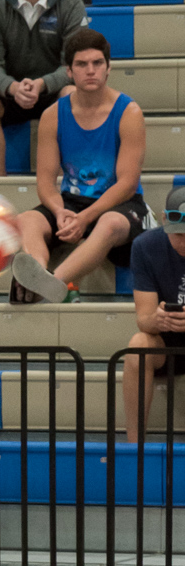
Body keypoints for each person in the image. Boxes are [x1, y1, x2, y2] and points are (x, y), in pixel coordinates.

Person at [10, 28, 149, 304]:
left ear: (108, 68)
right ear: (69, 71)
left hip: (119, 204)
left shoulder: (128, 112)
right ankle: (35, 271)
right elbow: (45, 182)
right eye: (82, 64)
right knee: (26, 220)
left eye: (97, 63)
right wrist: (59, 210)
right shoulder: (53, 115)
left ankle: (54, 282)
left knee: (108, 223)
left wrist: (85, 218)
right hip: (71, 201)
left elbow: (127, 183)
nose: (91, 71)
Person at [0, 0, 85, 177]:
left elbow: (74, 65)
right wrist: (13, 88)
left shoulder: (70, 4)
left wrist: (42, 84)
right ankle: (0, 185)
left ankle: (69, 182)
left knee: (73, 94)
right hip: (11, 96)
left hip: (52, 94)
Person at [122, 186, 185, 442]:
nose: (183, 242)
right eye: (177, 234)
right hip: (167, 343)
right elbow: (144, 319)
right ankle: (135, 447)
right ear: (163, 219)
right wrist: (158, 320)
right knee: (138, 345)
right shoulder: (146, 246)